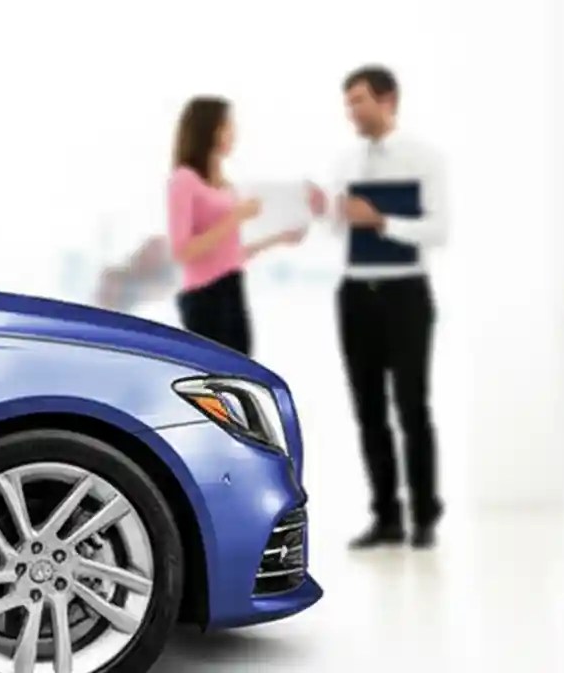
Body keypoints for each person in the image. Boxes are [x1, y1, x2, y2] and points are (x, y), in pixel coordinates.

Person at [308, 65, 448, 549]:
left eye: (359, 101)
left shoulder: (423, 158)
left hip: (405, 292)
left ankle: (425, 515)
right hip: (355, 293)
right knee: (367, 409)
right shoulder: (345, 163)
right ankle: (386, 515)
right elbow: (335, 230)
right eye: (348, 103)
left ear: (388, 100)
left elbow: (439, 229)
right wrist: (326, 210)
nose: (352, 112)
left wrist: (382, 220)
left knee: (412, 405)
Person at [167, 96, 305, 356]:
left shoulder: (226, 185)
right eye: (227, 126)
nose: (234, 133)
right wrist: (236, 217)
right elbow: (182, 250)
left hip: (233, 289)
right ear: (209, 130)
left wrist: (278, 239)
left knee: (241, 379)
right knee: (216, 384)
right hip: (204, 298)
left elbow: (229, 254)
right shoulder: (183, 180)